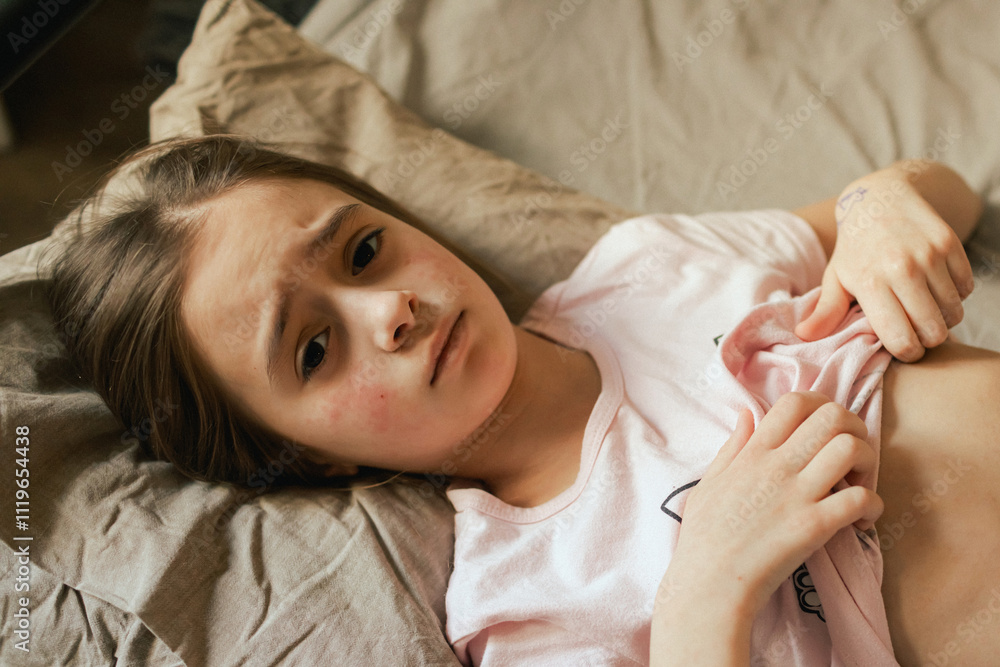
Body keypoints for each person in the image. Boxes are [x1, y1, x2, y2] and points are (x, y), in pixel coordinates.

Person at [44, 134, 999, 665]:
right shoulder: (527, 602)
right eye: (315, 347)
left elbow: (943, 193)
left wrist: (881, 207)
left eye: (364, 249)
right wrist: (709, 579)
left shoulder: (645, 269)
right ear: (301, 457)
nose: (394, 309)